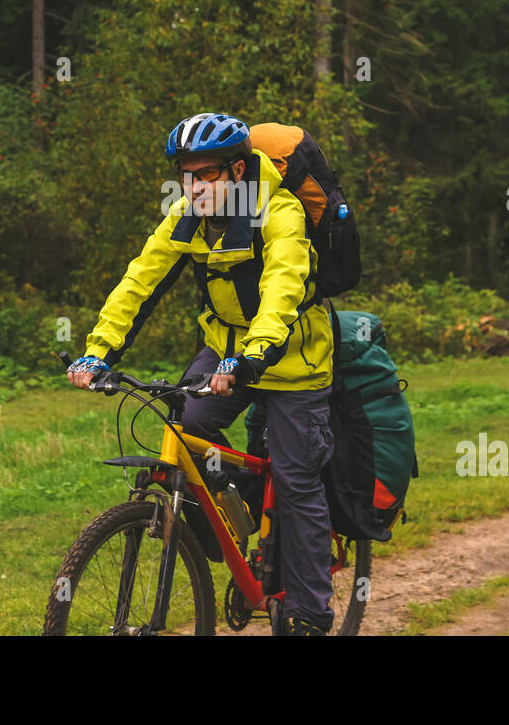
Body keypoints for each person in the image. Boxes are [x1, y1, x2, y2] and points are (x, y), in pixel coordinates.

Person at [66, 112, 336, 635]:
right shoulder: (185, 218)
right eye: (187, 175)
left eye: (206, 174)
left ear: (237, 170)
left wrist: (253, 355)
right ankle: (236, 522)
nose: (194, 186)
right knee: (186, 428)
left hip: (292, 360)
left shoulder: (278, 211)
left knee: (296, 479)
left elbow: (283, 287)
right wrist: (98, 352)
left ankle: (310, 613)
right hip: (224, 349)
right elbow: (138, 283)